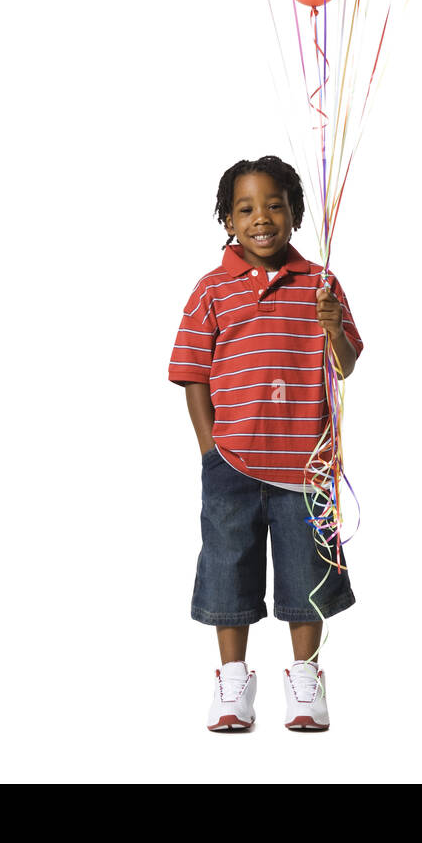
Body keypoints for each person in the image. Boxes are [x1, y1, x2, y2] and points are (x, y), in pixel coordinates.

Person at [168, 154, 364, 732]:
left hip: (305, 462)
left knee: (308, 571)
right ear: (228, 219)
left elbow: (345, 365)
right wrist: (211, 449)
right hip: (232, 461)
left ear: (295, 213)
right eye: (247, 208)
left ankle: (305, 678)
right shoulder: (212, 289)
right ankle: (233, 681)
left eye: (275, 205)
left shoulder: (320, 284)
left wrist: (333, 326)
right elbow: (192, 372)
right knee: (229, 566)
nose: (262, 218)